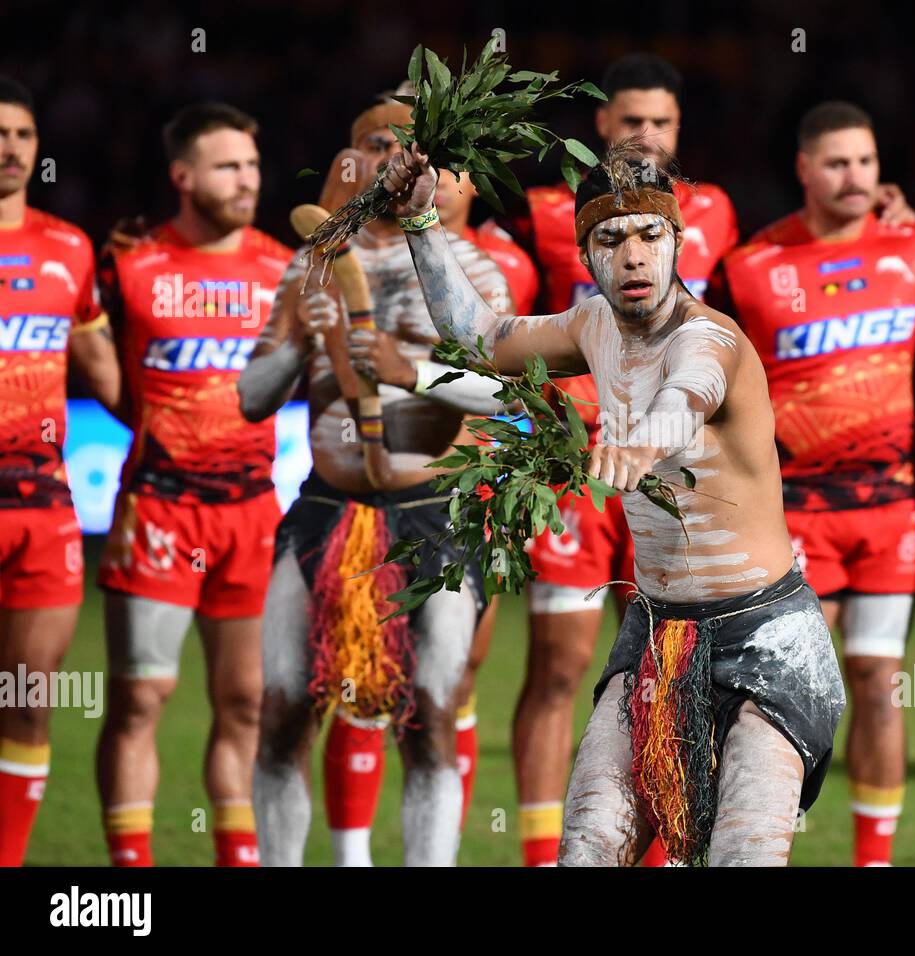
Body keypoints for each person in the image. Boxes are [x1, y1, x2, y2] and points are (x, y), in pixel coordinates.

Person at [366, 139, 846, 866]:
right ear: (586, 256)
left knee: (742, 852)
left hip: (767, 635)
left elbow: (686, 395)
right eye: (610, 239)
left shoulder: (710, 337)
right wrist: (423, 221)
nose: (633, 256)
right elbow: (480, 338)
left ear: (678, 242)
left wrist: (640, 446)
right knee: (589, 847)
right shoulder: (591, 328)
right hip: (658, 634)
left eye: (651, 235)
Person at [242, 95, 514, 867]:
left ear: (427, 165)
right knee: (285, 712)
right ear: (350, 162)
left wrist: (412, 372)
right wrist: (303, 344)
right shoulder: (313, 262)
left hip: (434, 511)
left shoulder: (471, 265)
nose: (392, 156)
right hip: (326, 507)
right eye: (374, 143)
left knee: (429, 718)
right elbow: (250, 397)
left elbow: (508, 394)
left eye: (406, 145)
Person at [505, 53, 738, 866]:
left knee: (672, 676)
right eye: (631, 120)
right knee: (562, 668)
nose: (646, 133)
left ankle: (659, 851)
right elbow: (520, 331)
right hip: (579, 475)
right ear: (601, 125)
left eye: (661, 122)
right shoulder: (543, 211)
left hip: (674, 476)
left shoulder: (715, 211)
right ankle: (547, 853)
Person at [718, 101, 915, 866]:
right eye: (839, 163)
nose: (856, 177)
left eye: (867, 162)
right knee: (779, 694)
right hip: (795, 514)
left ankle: (872, 861)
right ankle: (757, 848)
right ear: (804, 170)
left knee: (880, 684)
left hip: (888, 510)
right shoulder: (751, 267)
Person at [315, 111, 538, 863]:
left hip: (466, 499)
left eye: (447, 162)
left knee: (452, 685)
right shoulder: (354, 251)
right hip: (373, 493)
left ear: (471, 178)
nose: (429, 173)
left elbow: (516, 394)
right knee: (362, 672)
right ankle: (351, 855)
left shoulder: (500, 263)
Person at [94, 102, 292, 867]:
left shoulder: (283, 267)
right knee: (141, 697)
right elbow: (97, 362)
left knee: (245, 702)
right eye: (227, 166)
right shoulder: (130, 264)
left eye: (251, 163)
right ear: (183, 177)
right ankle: (130, 872)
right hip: (161, 509)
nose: (247, 179)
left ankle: (237, 859)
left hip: (252, 512)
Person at [0, 76, 120, 866]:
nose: (9, 150)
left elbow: (107, 369)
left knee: (28, 703)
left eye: (21, 137)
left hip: (42, 506)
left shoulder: (68, 248)